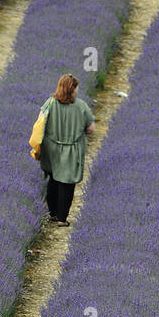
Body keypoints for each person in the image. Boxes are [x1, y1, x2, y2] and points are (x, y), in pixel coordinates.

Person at [38, 73, 95, 224]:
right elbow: (91, 128)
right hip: (71, 150)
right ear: (72, 89)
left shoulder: (50, 103)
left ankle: (52, 214)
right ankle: (62, 219)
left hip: (51, 149)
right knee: (67, 184)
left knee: (53, 180)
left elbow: (40, 122)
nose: (77, 91)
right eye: (76, 88)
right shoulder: (81, 106)